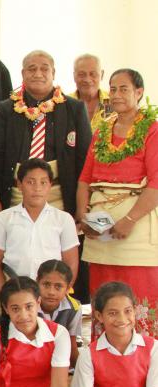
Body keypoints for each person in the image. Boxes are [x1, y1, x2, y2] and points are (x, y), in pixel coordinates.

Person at [77, 68, 158, 316]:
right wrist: (83, 217)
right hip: (100, 227)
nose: (116, 94)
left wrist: (129, 220)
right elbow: (84, 180)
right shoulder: (102, 130)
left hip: (136, 229)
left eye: (124, 89)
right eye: (112, 89)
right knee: (103, 294)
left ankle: (142, 354)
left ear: (139, 93)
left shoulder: (152, 129)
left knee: (138, 297)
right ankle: (104, 353)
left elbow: (155, 184)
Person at [0, 51, 91, 219]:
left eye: (44, 69)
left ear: (53, 73)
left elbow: (85, 158)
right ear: (23, 74)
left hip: (59, 193)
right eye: (32, 69)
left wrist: (82, 204)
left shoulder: (74, 108)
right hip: (17, 192)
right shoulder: (6, 109)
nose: (38, 74)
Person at [0, 159, 79, 298]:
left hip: (51, 294)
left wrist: (59, 294)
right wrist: (6, 297)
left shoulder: (64, 219)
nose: (37, 188)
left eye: (43, 182)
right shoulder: (3, 219)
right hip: (14, 291)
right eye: (30, 182)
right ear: (19, 185)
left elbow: (71, 262)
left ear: (50, 185)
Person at [37, 260, 82, 366]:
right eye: (46, 285)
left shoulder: (74, 308)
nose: (51, 292)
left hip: (59, 361)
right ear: (37, 282)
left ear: (68, 288)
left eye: (58, 287)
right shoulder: (28, 305)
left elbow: (72, 345)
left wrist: (79, 369)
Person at [70, 54, 113, 130]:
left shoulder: (113, 102)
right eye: (81, 74)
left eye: (93, 74)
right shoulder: (65, 104)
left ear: (102, 75)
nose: (87, 79)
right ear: (74, 76)